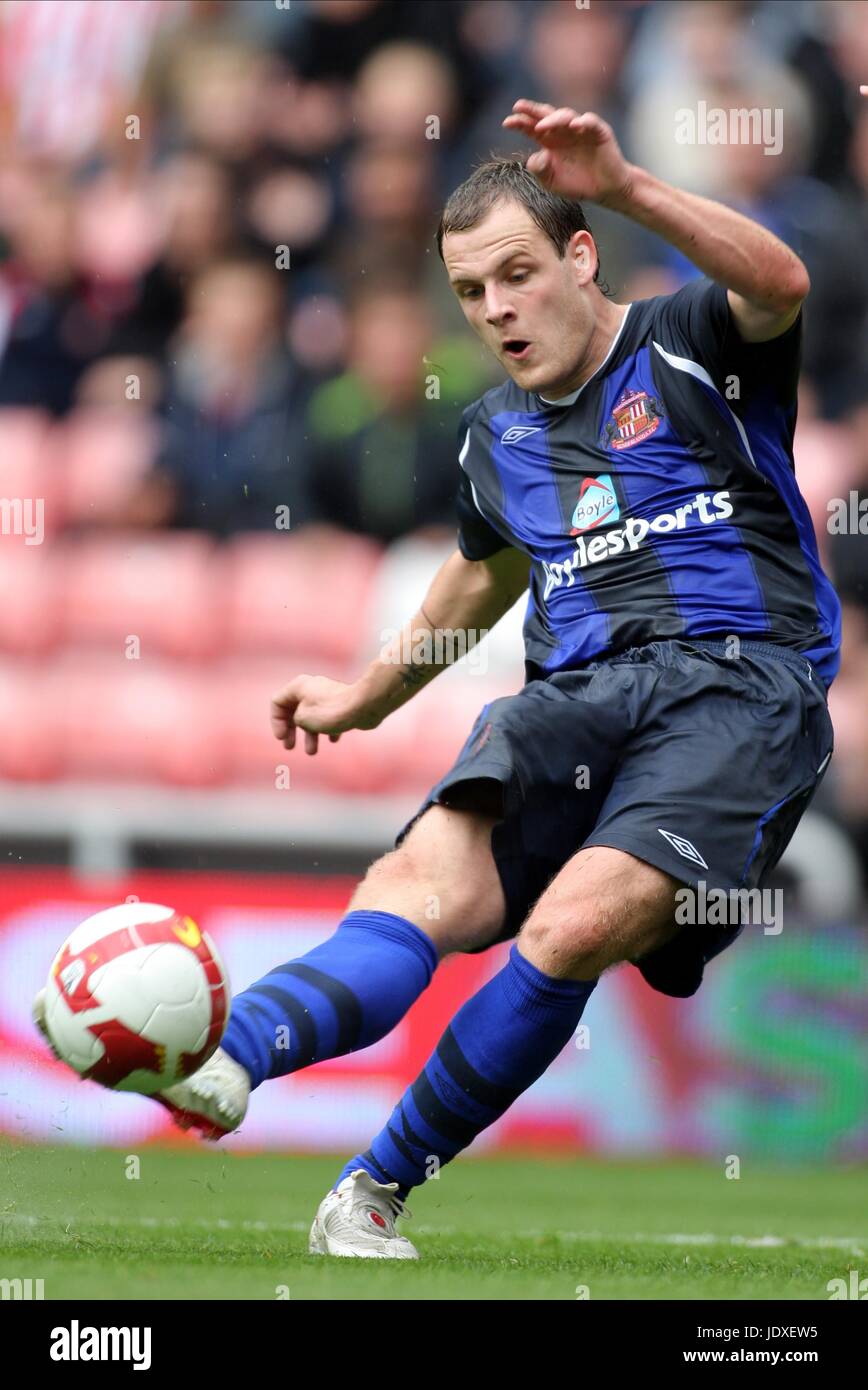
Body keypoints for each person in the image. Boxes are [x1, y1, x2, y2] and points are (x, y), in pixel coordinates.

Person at [34, 100, 839, 1258]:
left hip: (736, 690)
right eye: (470, 292)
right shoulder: (493, 438)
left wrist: (623, 182)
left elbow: (782, 280)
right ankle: (228, 1055)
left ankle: (372, 1187)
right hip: (570, 700)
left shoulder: (690, 339)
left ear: (578, 254)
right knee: (416, 883)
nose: (497, 309)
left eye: (517, 273)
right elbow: (479, 583)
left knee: (571, 926)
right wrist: (365, 695)